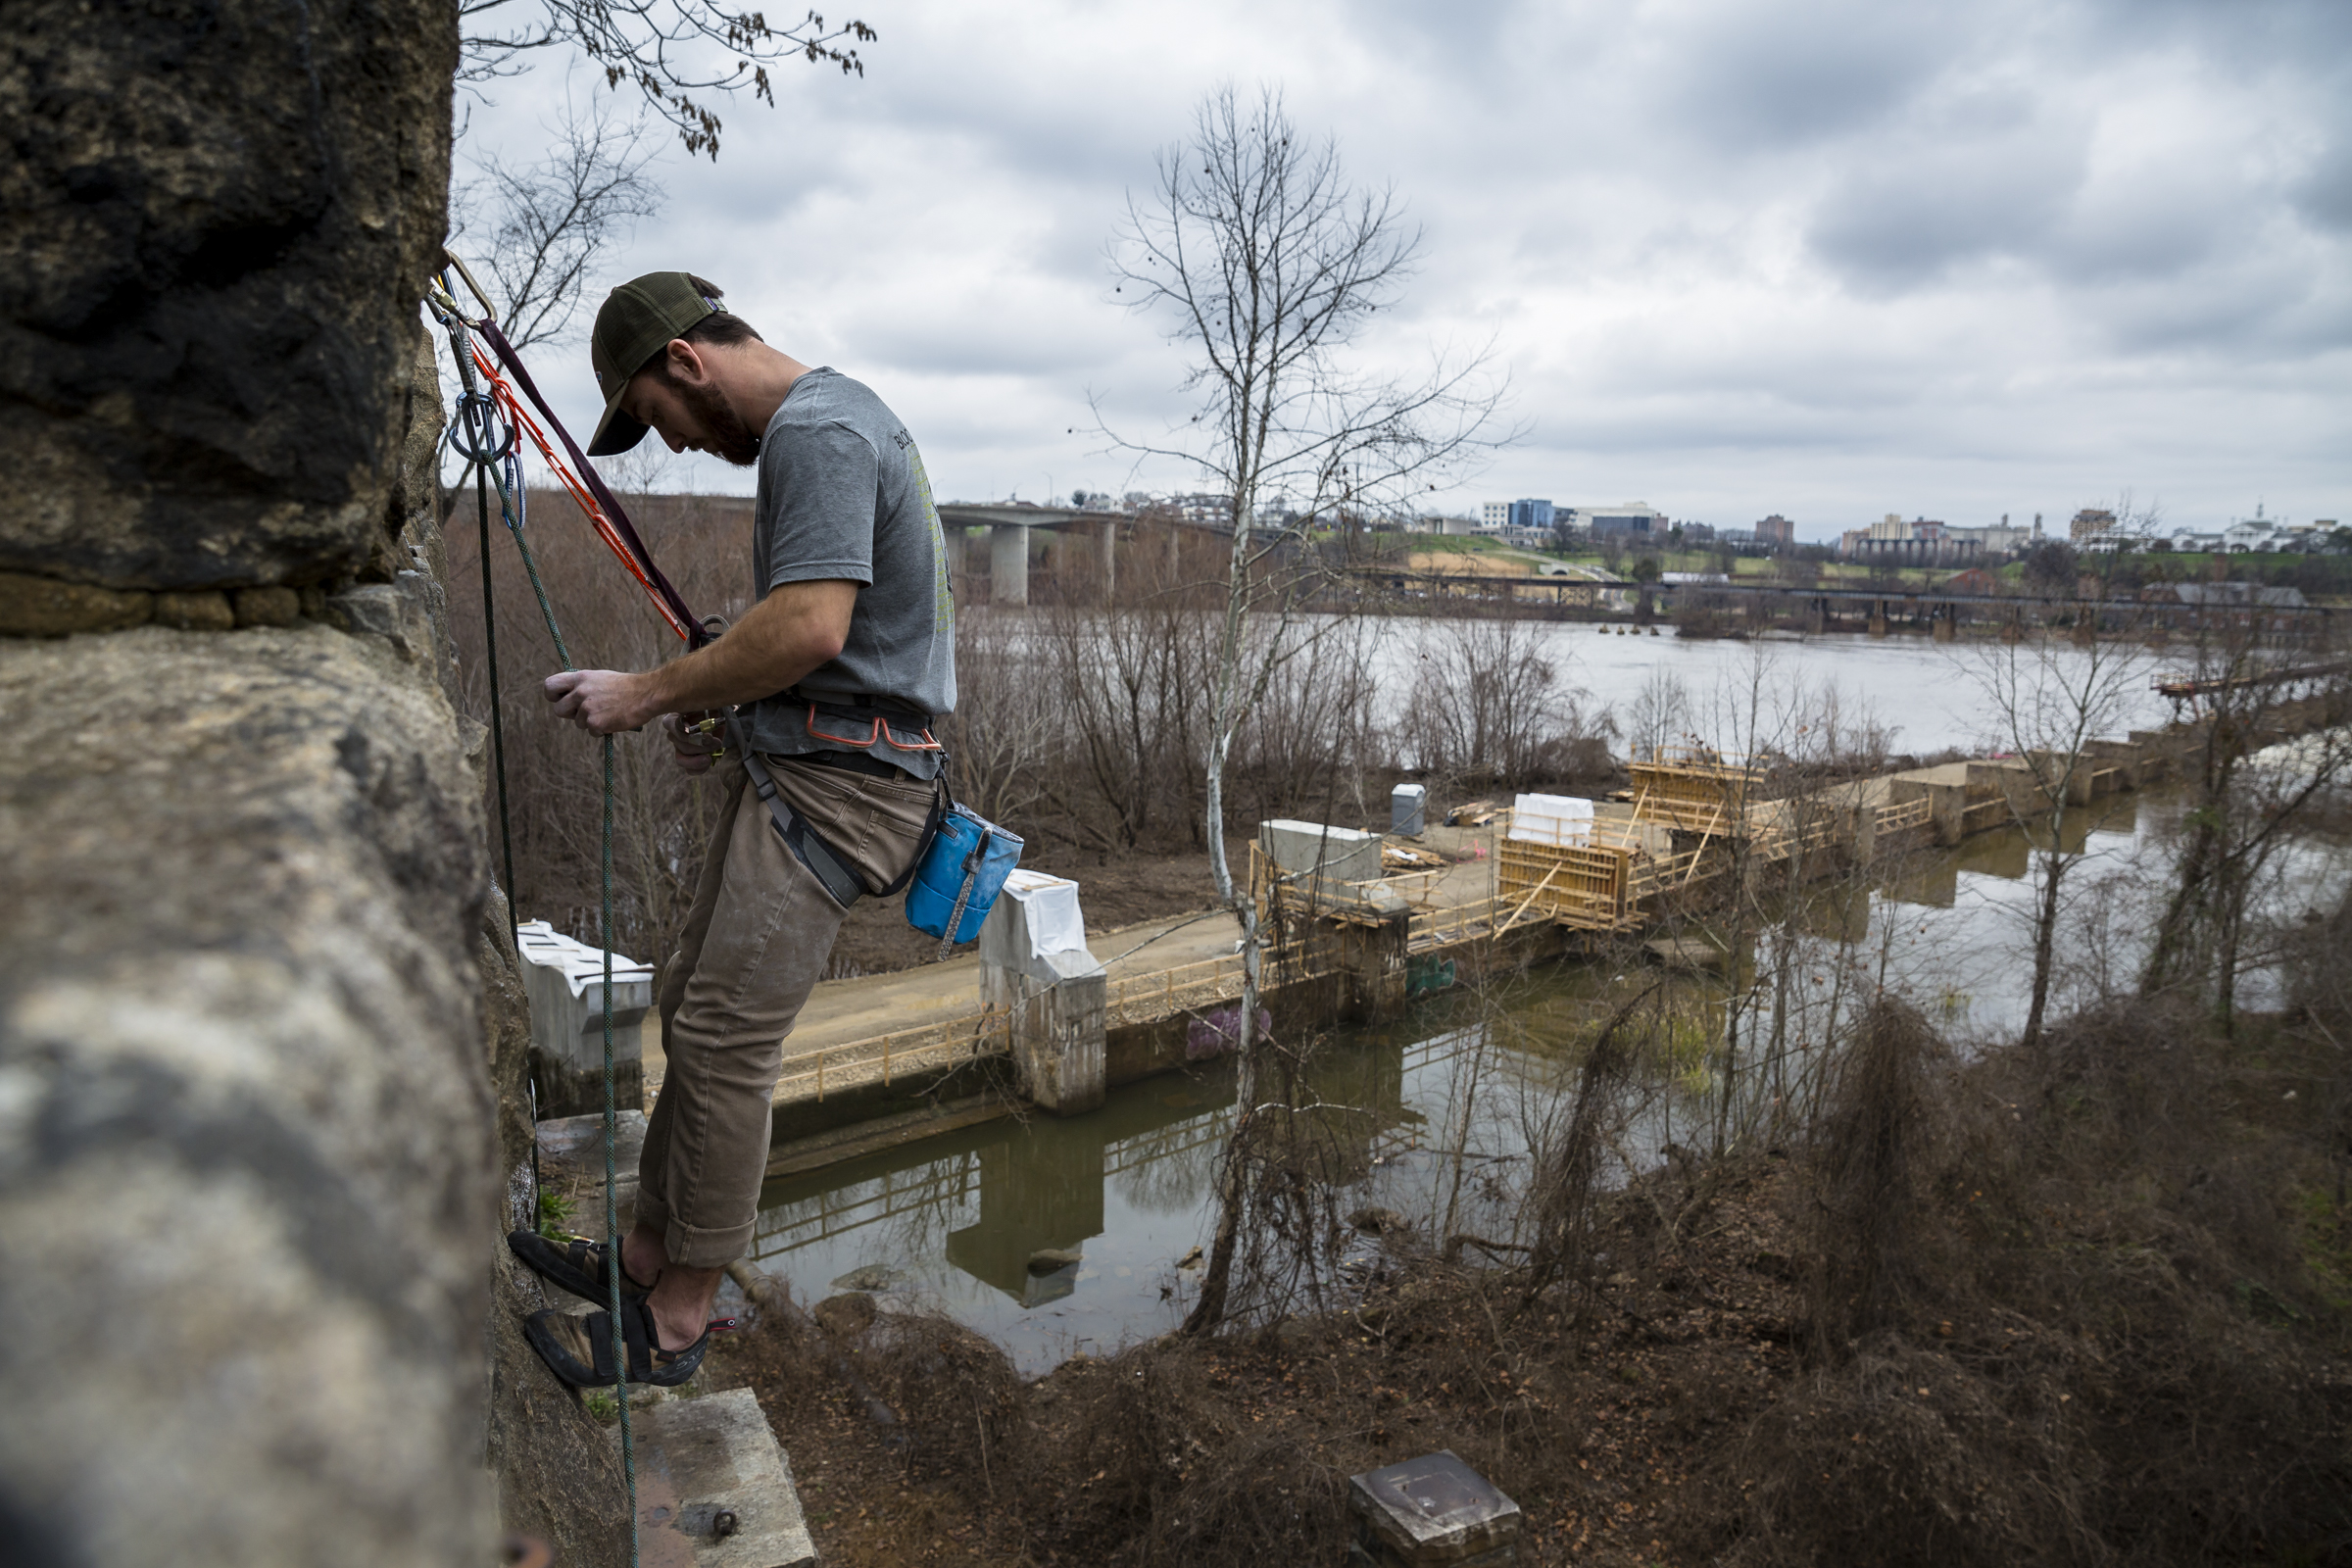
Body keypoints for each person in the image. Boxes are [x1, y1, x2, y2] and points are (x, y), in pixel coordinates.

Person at [507, 271, 955, 1387]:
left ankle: (679, 1321)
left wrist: (652, 691)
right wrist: (731, 690)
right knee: (688, 1010)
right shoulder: (831, 423)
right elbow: (815, 641)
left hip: (844, 791)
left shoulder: (819, 431)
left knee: (725, 1045)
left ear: (688, 364)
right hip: (814, 763)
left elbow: (810, 625)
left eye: (659, 418)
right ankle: (646, 1256)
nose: (679, 442)